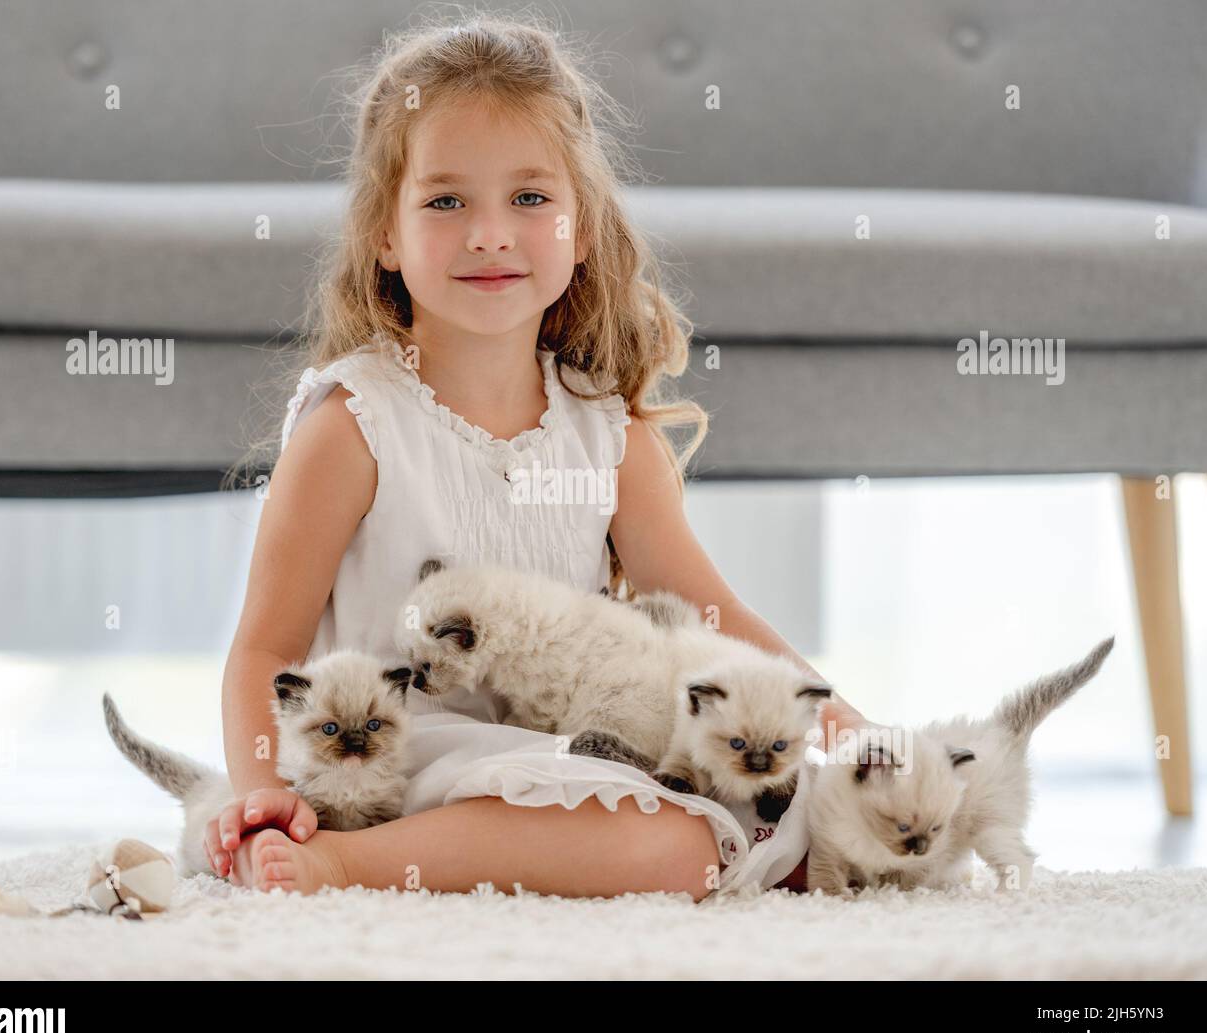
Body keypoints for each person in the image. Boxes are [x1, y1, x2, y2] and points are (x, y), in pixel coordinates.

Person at [207, 11, 871, 900]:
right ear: (386, 236)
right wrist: (261, 794)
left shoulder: (607, 433)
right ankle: (340, 862)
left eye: (529, 199)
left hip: (573, 756)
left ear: (581, 227)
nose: (490, 233)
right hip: (399, 760)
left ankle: (492, 849)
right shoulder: (355, 424)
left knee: (776, 826)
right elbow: (264, 648)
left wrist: (828, 711)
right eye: (446, 201)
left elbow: (709, 611)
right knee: (682, 848)